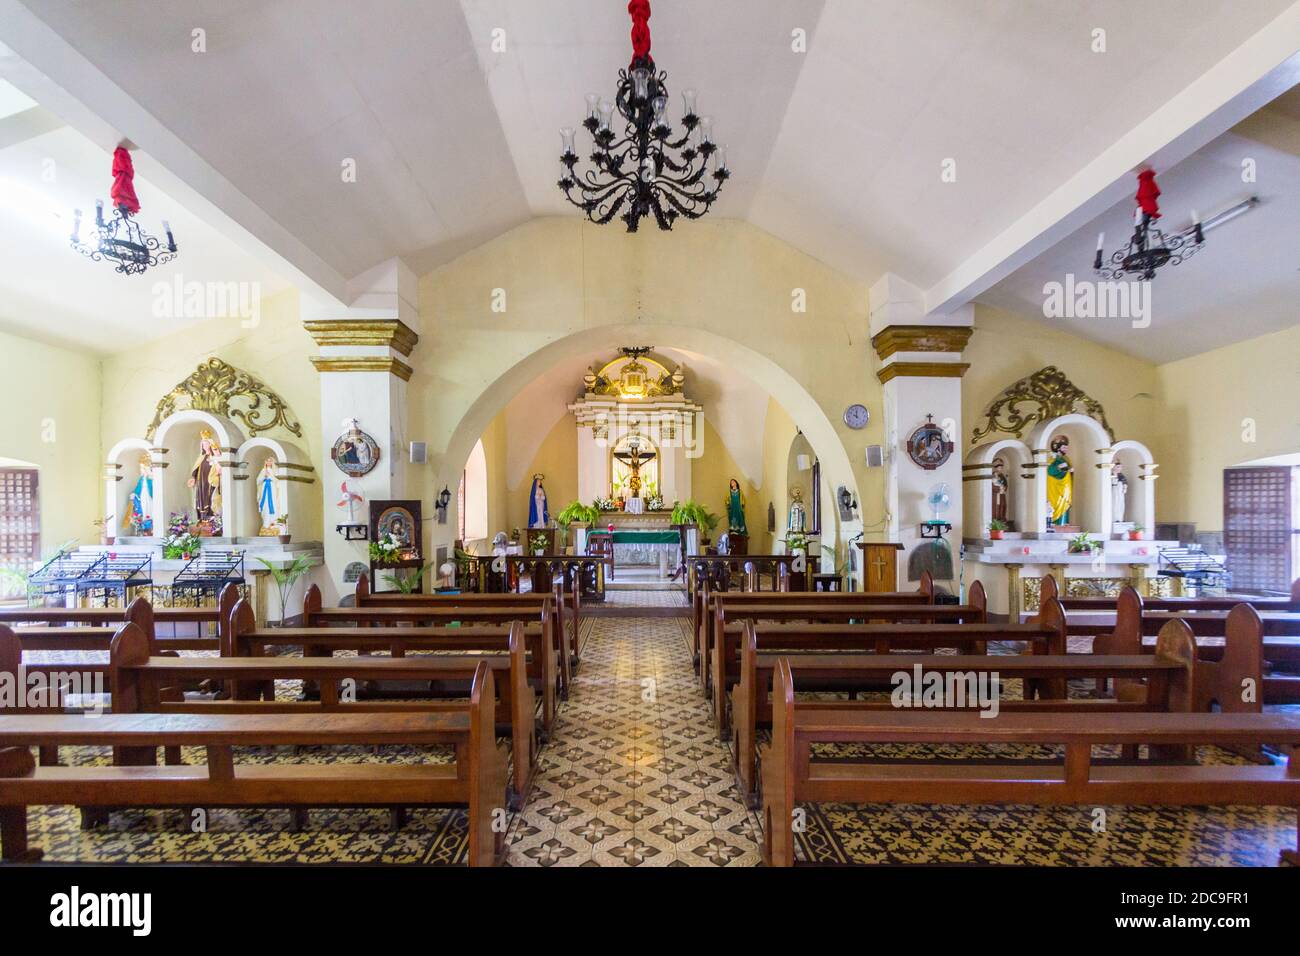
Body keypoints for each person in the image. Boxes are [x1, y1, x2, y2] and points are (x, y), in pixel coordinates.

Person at [188, 429, 222, 522]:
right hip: (201, 481)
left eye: (206, 444)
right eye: (203, 444)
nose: (205, 446)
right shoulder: (201, 457)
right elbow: (196, 468)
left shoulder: (214, 457)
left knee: (210, 497)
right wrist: (193, 477)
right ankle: (202, 518)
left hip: (210, 480)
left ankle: (211, 516)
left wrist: (215, 455)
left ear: (210, 444)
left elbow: (220, 466)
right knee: (201, 498)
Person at [1045, 436, 1073, 527]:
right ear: (1058, 448)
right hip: (1056, 486)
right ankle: (1055, 522)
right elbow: (1049, 470)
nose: (1066, 450)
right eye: (1064, 448)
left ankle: (1063, 523)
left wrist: (1070, 471)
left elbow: (1068, 470)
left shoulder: (1066, 459)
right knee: (1056, 503)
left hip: (1065, 485)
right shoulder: (1053, 458)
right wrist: (1059, 468)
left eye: (1067, 448)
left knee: (1065, 503)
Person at [125, 454, 153, 535]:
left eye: (142, 468)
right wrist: (134, 493)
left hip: (150, 496)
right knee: (143, 509)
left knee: (150, 508)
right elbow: (138, 488)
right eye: (141, 468)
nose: (141, 470)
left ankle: (150, 527)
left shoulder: (151, 478)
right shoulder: (141, 478)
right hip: (143, 496)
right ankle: (144, 527)